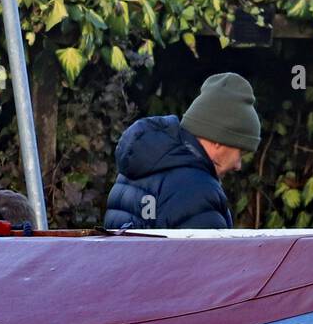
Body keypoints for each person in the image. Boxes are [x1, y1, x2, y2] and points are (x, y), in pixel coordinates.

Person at [104, 72, 260, 231]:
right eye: (240, 153)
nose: (238, 165)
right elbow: (209, 255)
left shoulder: (137, 170)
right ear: (218, 140)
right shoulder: (197, 189)